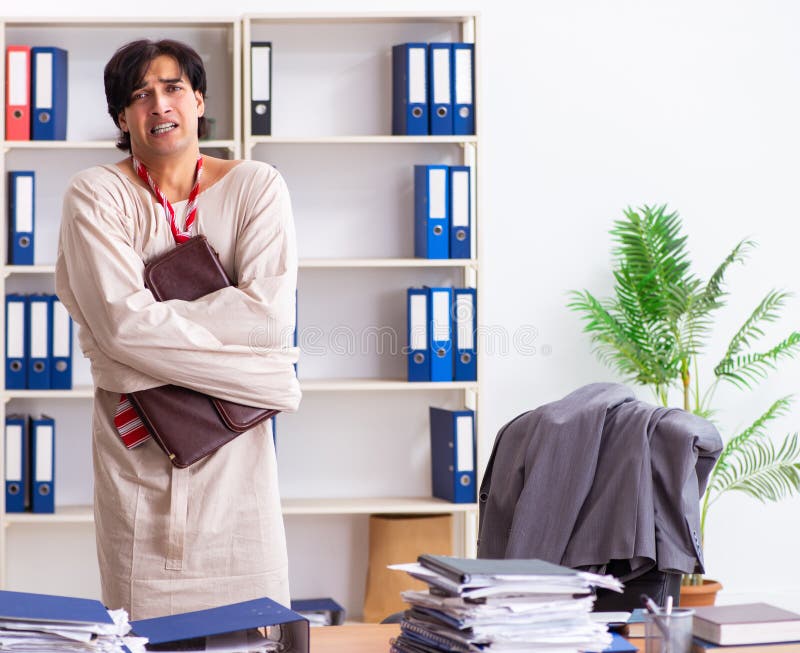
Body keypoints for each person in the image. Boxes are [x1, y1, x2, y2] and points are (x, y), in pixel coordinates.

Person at [54, 39, 301, 620]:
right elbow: (118, 329)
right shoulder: (96, 194)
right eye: (140, 95)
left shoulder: (257, 186)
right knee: (146, 634)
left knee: (255, 631)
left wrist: (135, 346)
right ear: (121, 117)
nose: (158, 104)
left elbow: (268, 321)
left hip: (241, 464)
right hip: (139, 459)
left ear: (199, 100)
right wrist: (262, 375)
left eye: (172, 89)